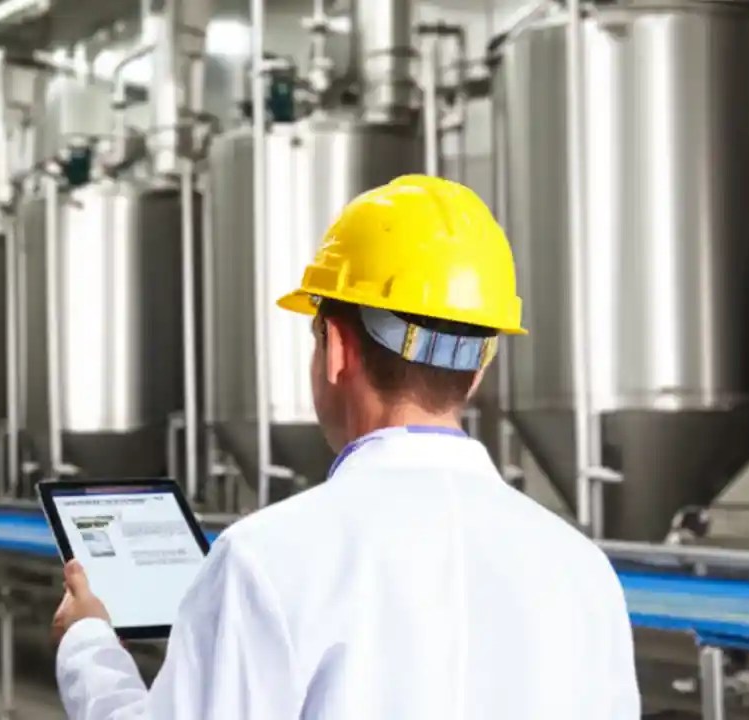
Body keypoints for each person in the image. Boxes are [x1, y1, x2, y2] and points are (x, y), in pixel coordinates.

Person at [51, 175, 641, 718]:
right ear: (481, 367)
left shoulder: (266, 561)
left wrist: (87, 644)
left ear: (334, 348)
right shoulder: (584, 572)